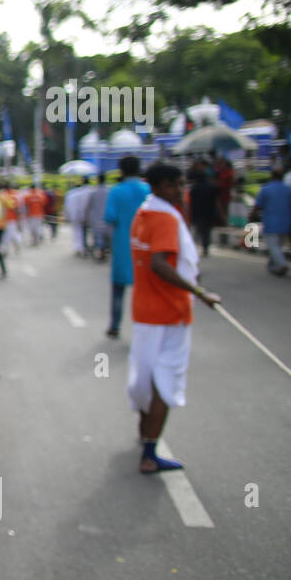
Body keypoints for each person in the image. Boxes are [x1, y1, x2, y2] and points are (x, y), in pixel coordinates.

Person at [127, 163, 221, 474]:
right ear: (157, 186)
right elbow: (158, 264)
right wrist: (200, 291)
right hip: (169, 312)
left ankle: (145, 440)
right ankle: (150, 454)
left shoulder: (144, 214)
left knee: (146, 377)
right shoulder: (166, 217)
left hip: (145, 311)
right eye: (173, 185)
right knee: (164, 381)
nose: (179, 190)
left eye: (180, 184)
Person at [103, 156, 150, 338]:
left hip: (123, 246)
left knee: (118, 289)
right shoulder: (148, 190)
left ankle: (115, 325)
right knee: (144, 289)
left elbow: (110, 217)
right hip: (145, 246)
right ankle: (144, 324)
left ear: (121, 171)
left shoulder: (116, 192)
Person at [249, 168, 291, 276]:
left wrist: (251, 217)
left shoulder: (266, 189)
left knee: (273, 246)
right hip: (286, 223)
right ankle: (274, 265)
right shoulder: (289, 190)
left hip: (271, 223)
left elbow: (257, 206)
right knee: (278, 246)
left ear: (272, 177)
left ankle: (282, 264)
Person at [187, 161, 219, 258]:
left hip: (198, 212)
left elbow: (190, 201)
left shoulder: (194, 188)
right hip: (209, 211)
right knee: (207, 230)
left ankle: (194, 247)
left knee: (199, 230)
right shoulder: (212, 186)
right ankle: (205, 247)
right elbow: (216, 200)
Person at [63, 178, 92, 257]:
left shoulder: (70, 194)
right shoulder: (82, 193)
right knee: (83, 232)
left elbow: (67, 207)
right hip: (82, 215)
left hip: (74, 216)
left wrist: (67, 216)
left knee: (76, 232)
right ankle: (82, 247)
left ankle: (79, 248)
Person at [88, 173, 110, 261]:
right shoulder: (110, 191)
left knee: (98, 237)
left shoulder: (94, 192)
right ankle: (104, 251)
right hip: (107, 218)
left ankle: (100, 251)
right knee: (106, 237)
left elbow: (89, 206)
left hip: (96, 218)